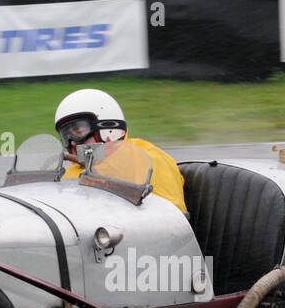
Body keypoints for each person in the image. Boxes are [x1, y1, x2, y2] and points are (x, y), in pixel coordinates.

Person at [54, 88, 187, 214]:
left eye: (79, 132)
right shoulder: (66, 174)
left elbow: (174, 217)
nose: (72, 142)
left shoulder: (149, 160)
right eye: (66, 136)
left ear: (108, 129)